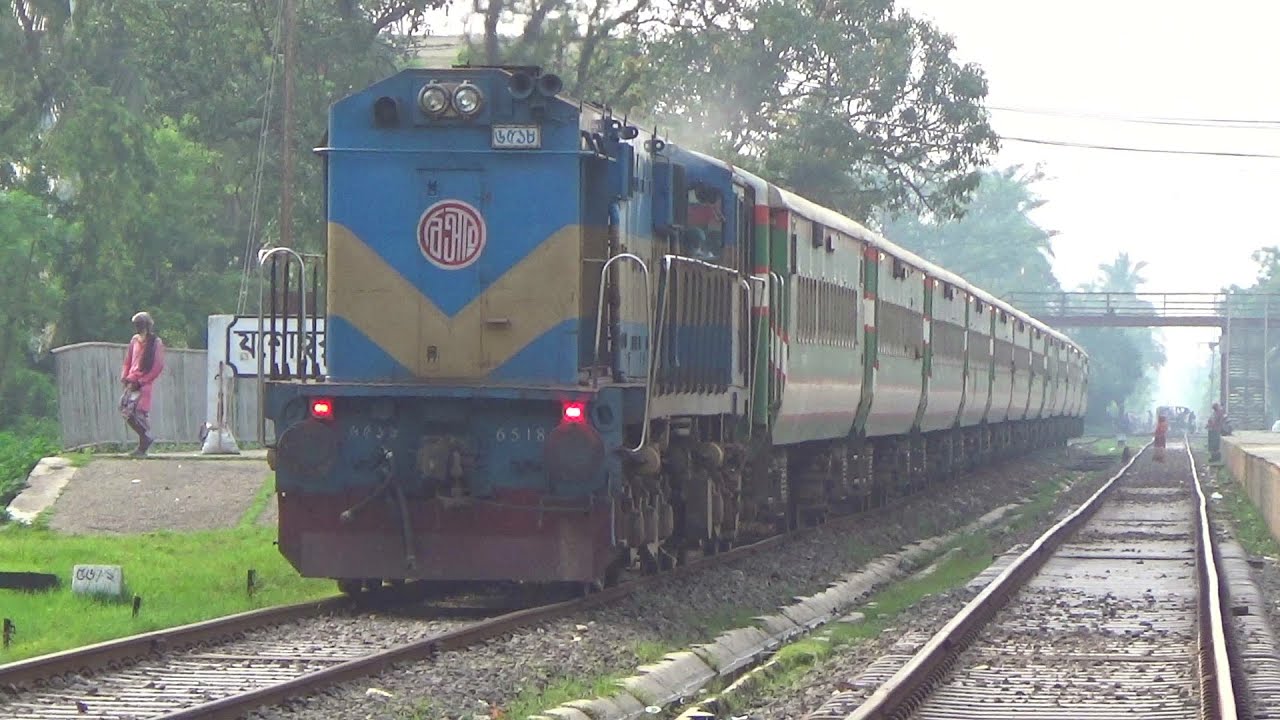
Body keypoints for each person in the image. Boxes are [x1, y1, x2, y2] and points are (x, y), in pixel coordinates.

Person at [119, 312, 166, 457]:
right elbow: (128, 360)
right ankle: (144, 439)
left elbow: (157, 366)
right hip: (131, 381)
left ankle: (144, 441)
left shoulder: (155, 343)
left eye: (139, 324)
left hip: (142, 383)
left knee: (136, 412)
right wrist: (125, 377)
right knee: (124, 409)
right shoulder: (134, 341)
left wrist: (142, 381)